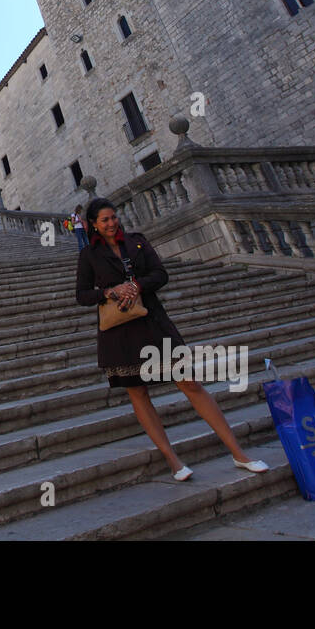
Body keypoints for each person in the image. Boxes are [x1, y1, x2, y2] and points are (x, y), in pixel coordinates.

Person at [75, 197, 268, 482]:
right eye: (104, 220)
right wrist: (109, 292)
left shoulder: (136, 242)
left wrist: (137, 284)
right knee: (138, 392)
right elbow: (82, 295)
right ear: (93, 224)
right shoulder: (89, 255)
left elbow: (160, 274)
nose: (111, 223)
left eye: (113, 217)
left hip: (153, 322)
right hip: (120, 333)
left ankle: (239, 453)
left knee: (190, 383)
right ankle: (173, 460)